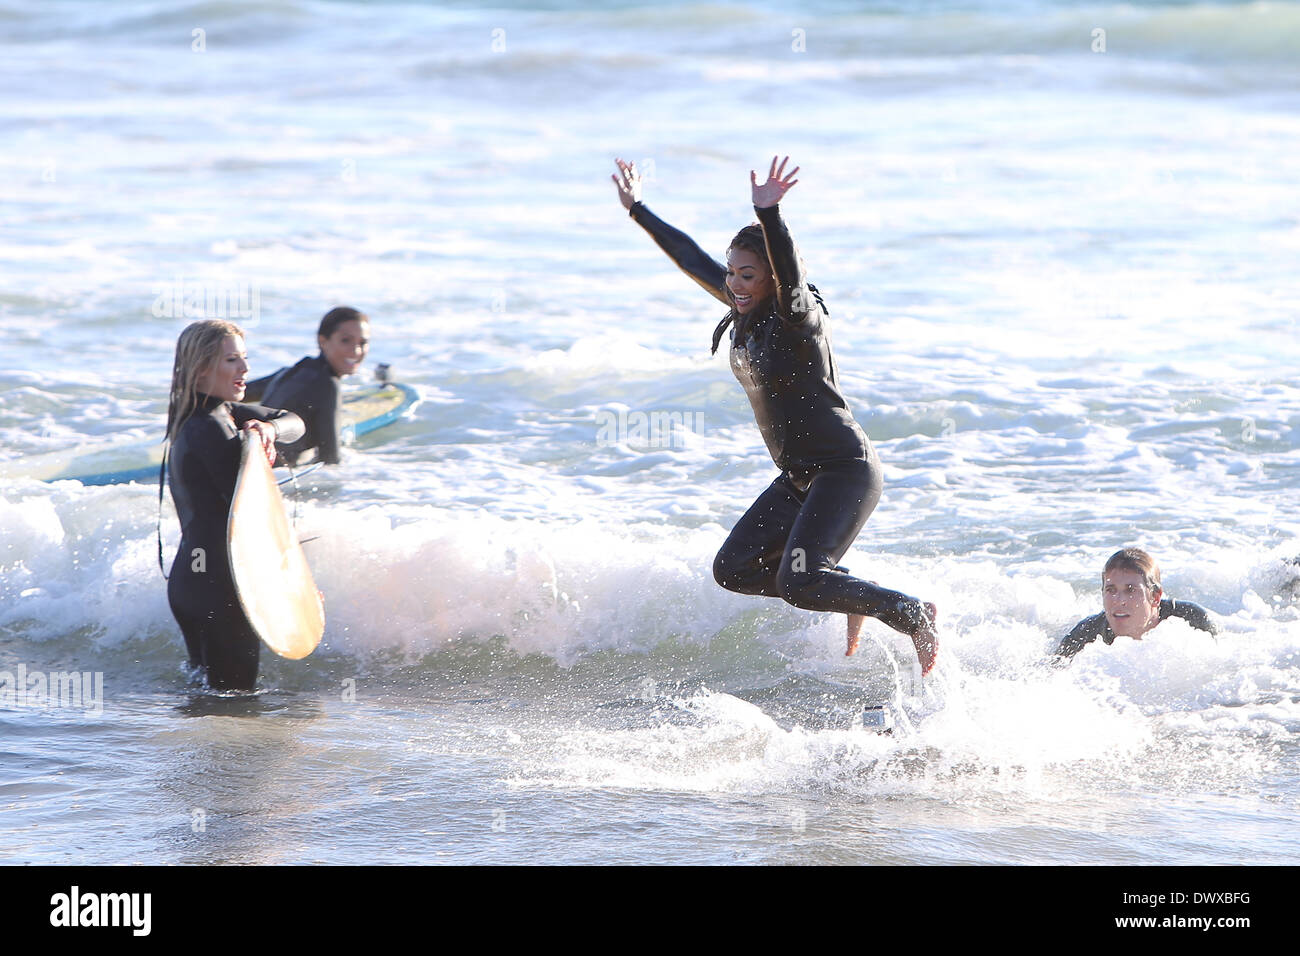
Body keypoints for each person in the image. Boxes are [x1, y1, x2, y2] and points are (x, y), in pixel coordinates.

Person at [612, 156, 939, 672]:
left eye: (750, 275)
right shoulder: (745, 307)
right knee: (734, 569)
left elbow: (788, 270)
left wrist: (769, 213)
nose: (736, 285)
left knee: (799, 583)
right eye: (734, 274)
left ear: (772, 279)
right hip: (800, 477)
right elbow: (691, 257)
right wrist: (638, 210)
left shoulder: (795, 317)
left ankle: (908, 612)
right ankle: (852, 590)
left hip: (842, 469)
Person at [164, 319, 305, 690]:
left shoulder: (208, 416)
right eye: (231, 361)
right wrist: (295, 583)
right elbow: (252, 523)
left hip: (190, 580)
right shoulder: (212, 426)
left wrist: (268, 429)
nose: (245, 369)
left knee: (206, 702)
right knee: (235, 712)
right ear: (200, 370)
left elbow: (292, 422)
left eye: (244, 358)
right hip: (223, 587)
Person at [243, 306, 370, 466]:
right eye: (346, 340)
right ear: (322, 341)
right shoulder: (328, 385)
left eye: (363, 342)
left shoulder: (290, 372)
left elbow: (239, 392)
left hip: (253, 462)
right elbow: (331, 458)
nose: (356, 351)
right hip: (279, 473)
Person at [1054, 547, 1218, 661]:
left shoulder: (1193, 621)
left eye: (1130, 590)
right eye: (1111, 590)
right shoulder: (1085, 636)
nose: (1119, 600)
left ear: (1155, 596)